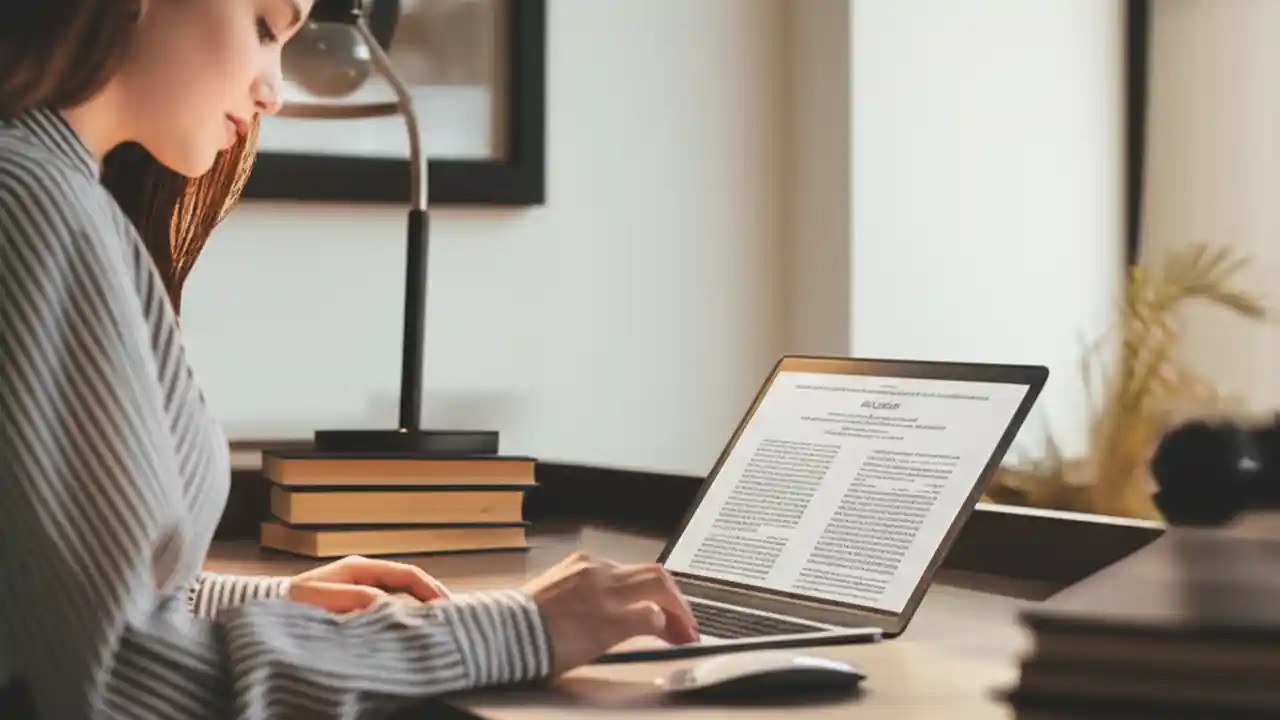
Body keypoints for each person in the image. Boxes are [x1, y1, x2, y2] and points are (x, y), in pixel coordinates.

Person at [0, 1, 699, 717]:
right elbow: (115, 681)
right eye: (267, 28)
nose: (272, 89)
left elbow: (62, 615)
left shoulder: (62, 198)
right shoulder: (35, 206)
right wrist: (516, 629)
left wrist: (281, 602)